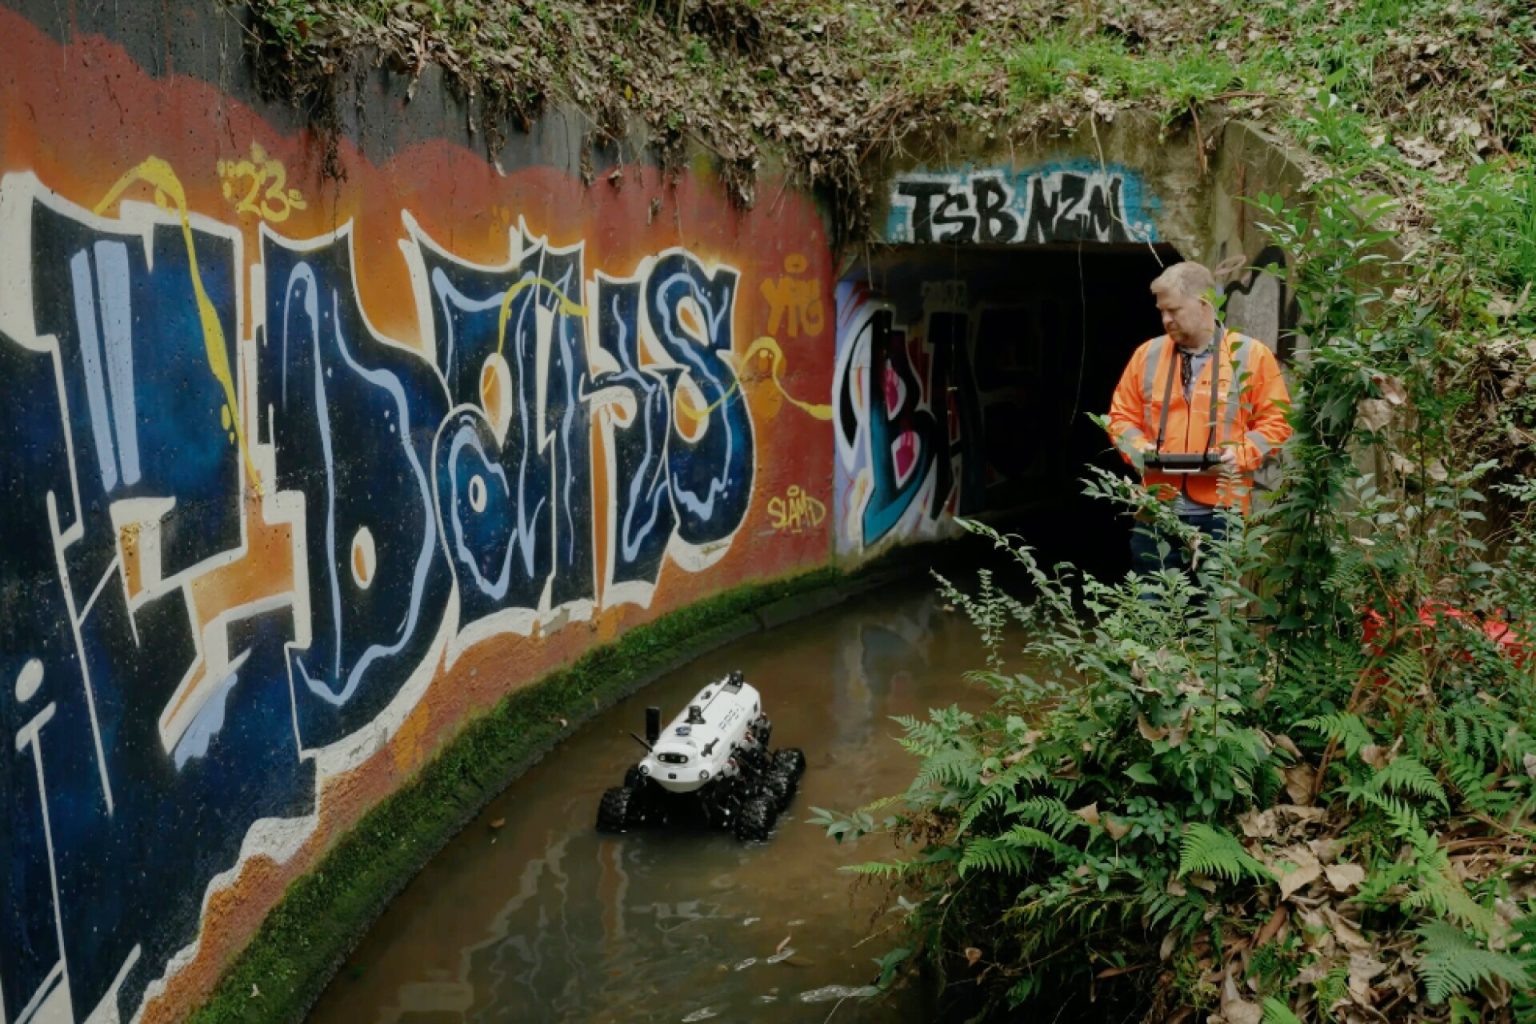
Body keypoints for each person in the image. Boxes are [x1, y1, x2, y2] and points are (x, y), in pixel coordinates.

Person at [1106, 261, 1292, 580]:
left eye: (1174, 310)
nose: (1166, 319)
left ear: (1203, 305)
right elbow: (1121, 416)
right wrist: (1139, 448)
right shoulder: (1147, 355)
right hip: (1156, 510)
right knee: (1154, 612)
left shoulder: (1251, 356)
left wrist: (1241, 455)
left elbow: (1276, 421)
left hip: (1222, 514)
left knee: (1214, 619)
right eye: (1161, 311)